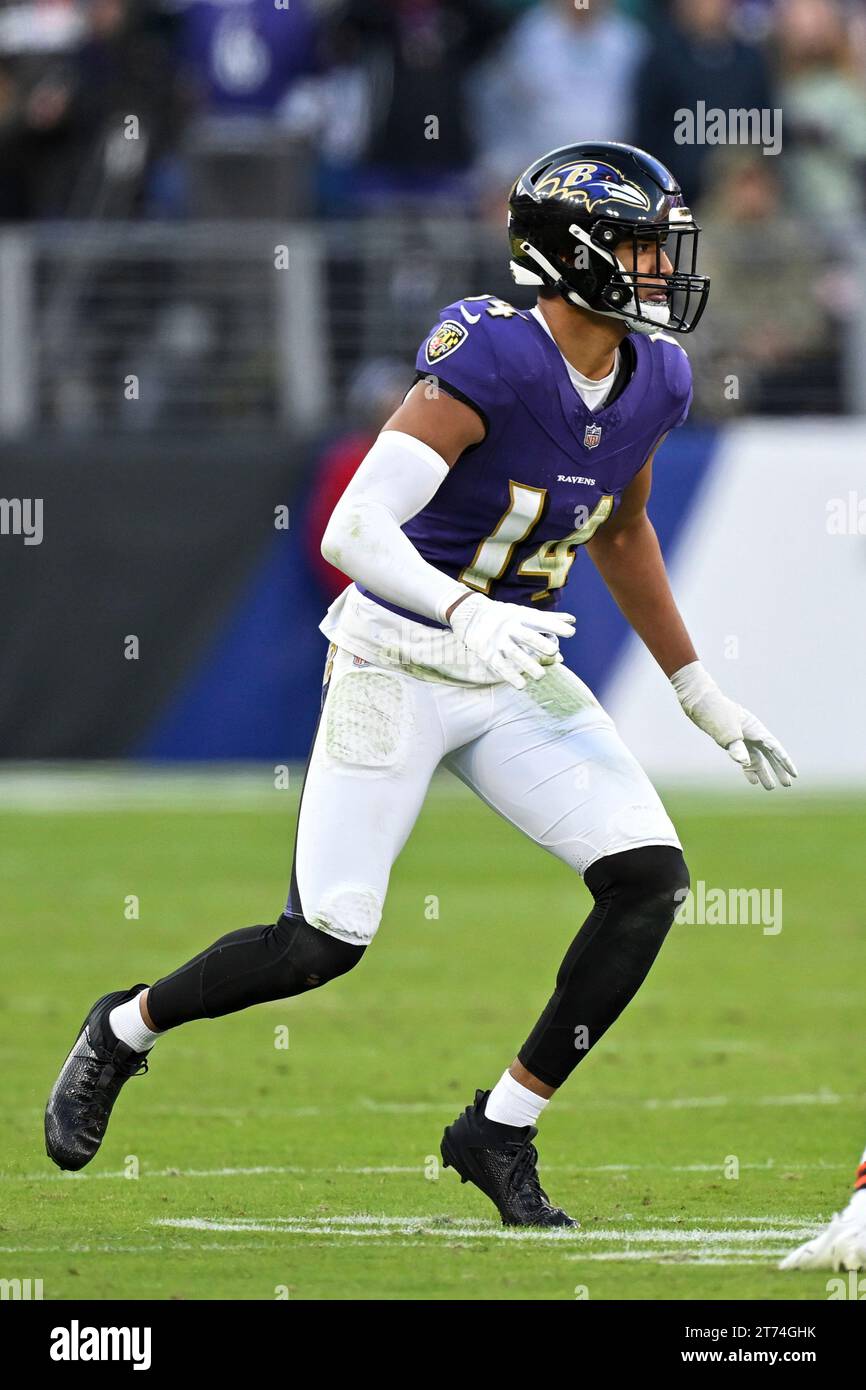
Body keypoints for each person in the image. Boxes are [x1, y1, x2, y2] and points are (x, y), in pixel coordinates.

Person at [45, 141, 797, 1228]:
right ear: (571, 254)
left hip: (512, 673)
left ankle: (497, 1127)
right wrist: (461, 609)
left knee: (647, 879)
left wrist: (694, 687)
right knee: (320, 942)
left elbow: (623, 527)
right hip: (398, 655)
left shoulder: (658, 375)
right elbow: (357, 527)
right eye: (637, 244)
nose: (658, 267)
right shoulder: (491, 357)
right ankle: (124, 1028)